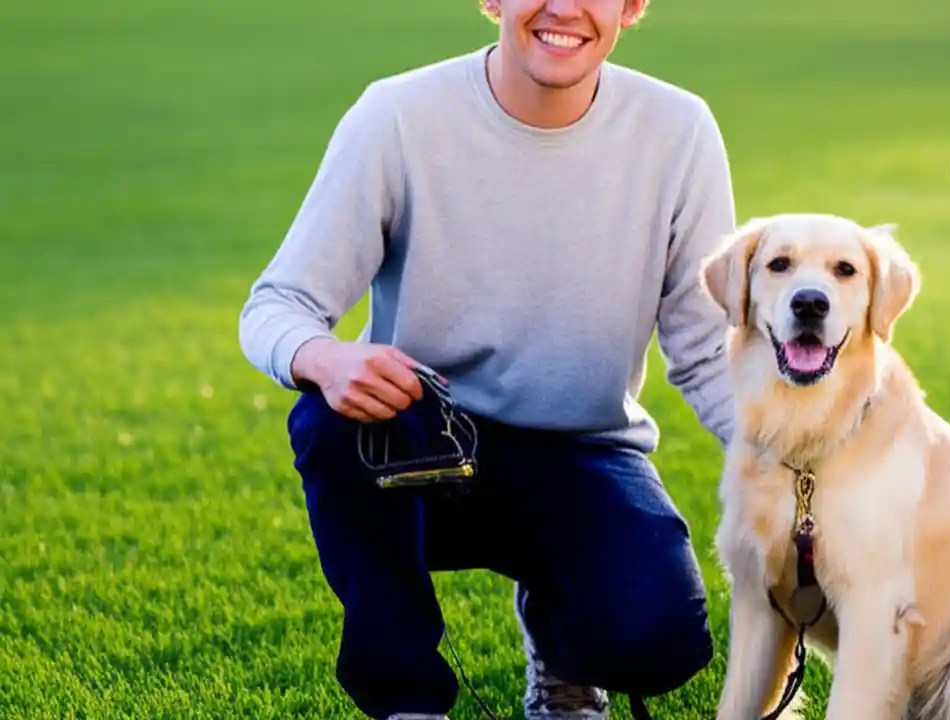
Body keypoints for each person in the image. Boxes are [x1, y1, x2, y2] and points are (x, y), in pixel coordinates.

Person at [237, 0, 738, 717]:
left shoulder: (678, 130)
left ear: (631, 7)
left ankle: (564, 649)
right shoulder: (400, 116)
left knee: (659, 641)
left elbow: (705, 349)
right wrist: (321, 355)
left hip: (584, 454)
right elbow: (277, 304)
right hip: (424, 445)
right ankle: (409, 701)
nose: (563, 8)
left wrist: (787, 456)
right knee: (331, 416)